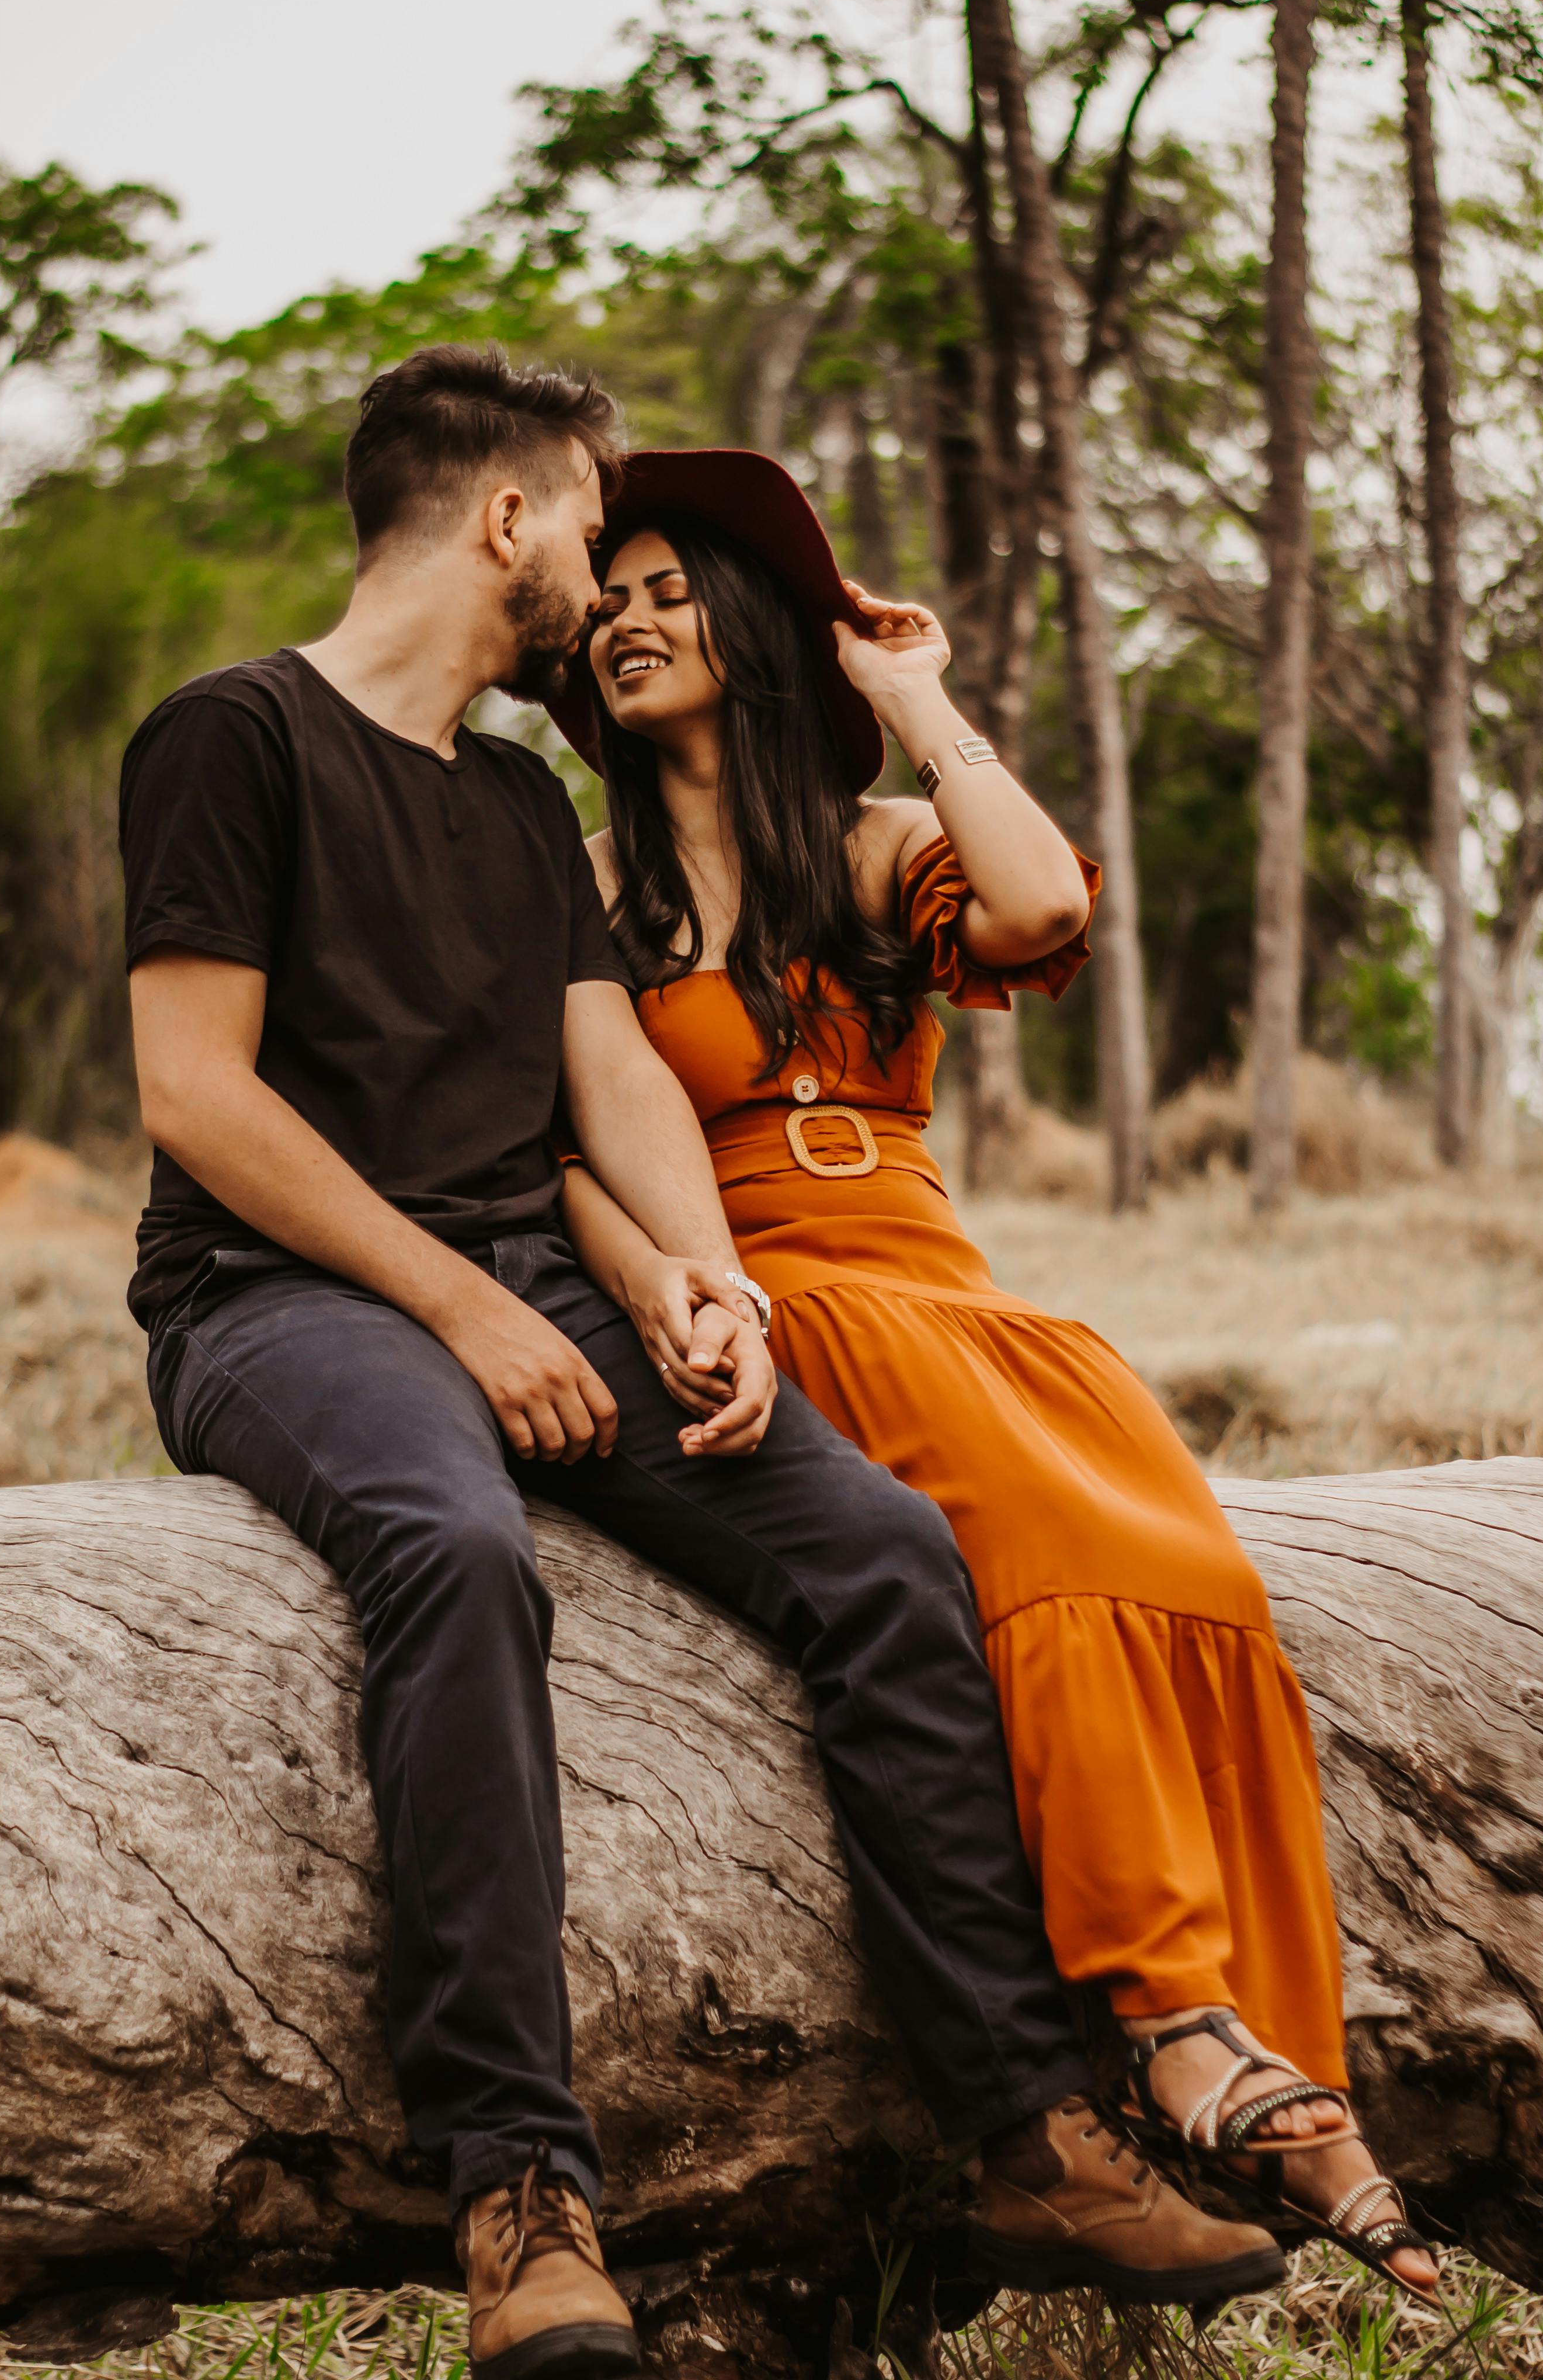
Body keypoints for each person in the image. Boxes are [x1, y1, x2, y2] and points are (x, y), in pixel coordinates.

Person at [119, 346, 1290, 2380]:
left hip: (539, 1272)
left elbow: (610, 1075)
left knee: (883, 1551)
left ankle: (1025, 2123)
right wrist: (469, 1312)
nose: (599, 563)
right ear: (508, 518)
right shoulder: (236, 737)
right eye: (586, 518)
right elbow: (198, 1100)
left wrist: (703, 1284)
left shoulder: (516, 796)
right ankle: (520, 2192)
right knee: (457, 1551)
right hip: (275, 1295)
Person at [548, 446, 1438, 2306]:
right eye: (603, 599)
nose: (629, 618)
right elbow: (548, 1144)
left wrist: (914, 689)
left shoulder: (871, 846)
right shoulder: (590, 898)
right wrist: (681, 1290)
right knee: (1033, 1556)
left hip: (961, 1292)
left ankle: (1289, 2064)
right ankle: (1176, 2017)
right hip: (778, 1291)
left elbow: (1038, 913)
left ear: (752, 623)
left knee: (1202, 1577)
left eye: (664, 586)